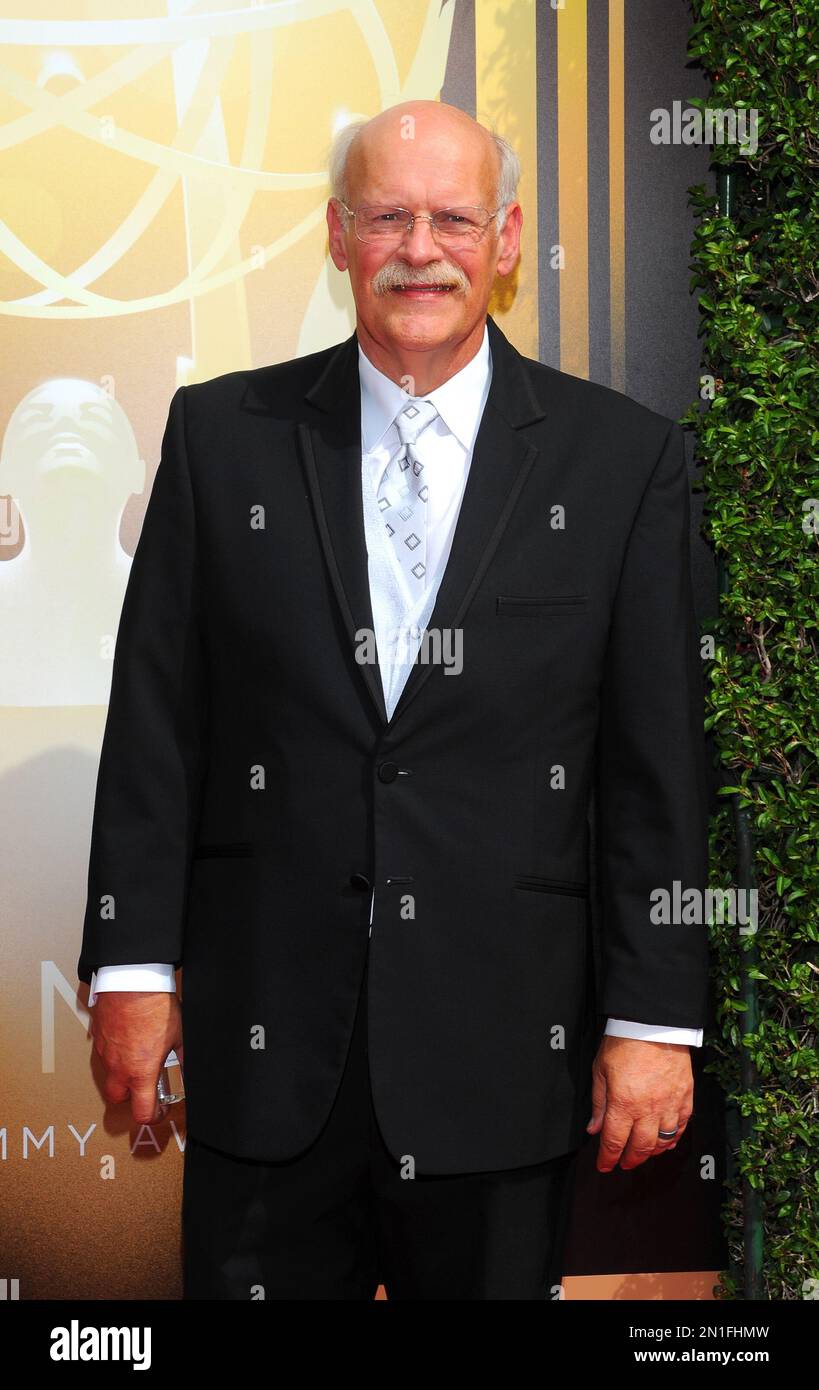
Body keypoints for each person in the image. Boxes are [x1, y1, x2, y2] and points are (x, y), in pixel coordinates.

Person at [78, 100, 710, 1300]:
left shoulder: (620, 463)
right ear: (336, 235)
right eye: (387, 216)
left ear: (509, 237)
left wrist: (654, 1020)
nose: (421, 248)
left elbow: (653, 769)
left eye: (454, 217)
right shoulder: (223, 437)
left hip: (500, 1053)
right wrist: (132, 970)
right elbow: (159, 725)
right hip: (268, 1049)